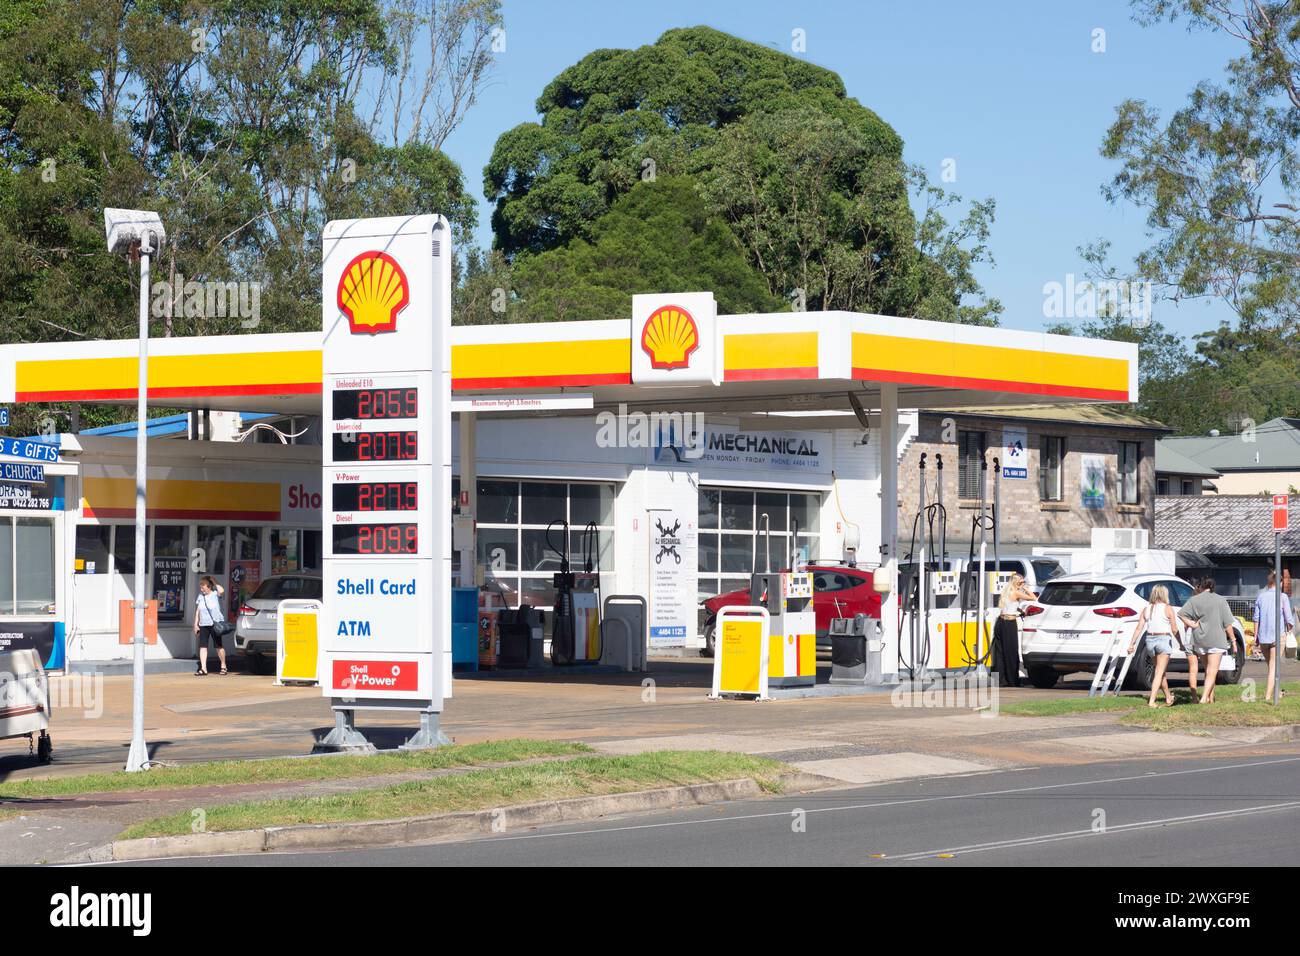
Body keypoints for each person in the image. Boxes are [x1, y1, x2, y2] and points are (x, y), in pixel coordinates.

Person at [1178, 578, 1234, 704]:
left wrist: (1191, 624)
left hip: (1200, 639)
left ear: (1202, 586)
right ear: (1213, 587)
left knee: (1207, 669)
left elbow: (1181, 614)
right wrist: (1234, 640)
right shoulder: (1220, 600)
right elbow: (1227, 623)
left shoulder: (1194, 599)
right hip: (1216, 638)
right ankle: (1204, 698)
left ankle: (1210, 699)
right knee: (1212, 670)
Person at [1127, 584, 1183, 708]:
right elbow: (1174, 629)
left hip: (1150, 640)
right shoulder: (1168, 608)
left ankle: (1168, 697)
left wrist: (1132, 644)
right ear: (1165, 595)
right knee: (1159, 672)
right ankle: (1152, 701)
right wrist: (1181, 644)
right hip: (1163, 639)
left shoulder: (1147, 609)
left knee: (1160, 671)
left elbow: (1139, 628)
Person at [1254, 571, 1295, 701]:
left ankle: (1277, 692)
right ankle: (1267, 697)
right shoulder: (1282, 597)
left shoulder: (1260, 597)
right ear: (1280, 583)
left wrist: (1256, 637)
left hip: (1263, 637)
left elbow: (1256, 618)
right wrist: (1290, 629)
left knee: (1271, 666)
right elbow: (1289, 619)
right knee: (1273, 666)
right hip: (1278, 636)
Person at [992, 573, 1036, 688]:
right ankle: (1012, 680)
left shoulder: (1006, 591)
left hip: (1000, 622)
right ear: (1017, 582)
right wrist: (1026, 589)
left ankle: (1001, 680)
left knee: (1000, 653)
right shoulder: (1016, 592)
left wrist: (1019, 610)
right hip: (1009, 623)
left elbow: (1009, 606)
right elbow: (1034, 598)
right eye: (1021, 582)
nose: (1022, 584)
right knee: (1011, 652)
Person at [194, 575, 228, 676]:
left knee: (218, 646)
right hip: (204, 624)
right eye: (201, 587)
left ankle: (223, 666)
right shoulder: (200, 596)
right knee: (203, 646)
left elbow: (221, 590)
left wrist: (214, 581)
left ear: (209, 587)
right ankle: (203, 668)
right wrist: (196, 624)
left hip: (215, 623)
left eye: (203, 587)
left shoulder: (214, 594)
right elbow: (198, 611)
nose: (202, 589)